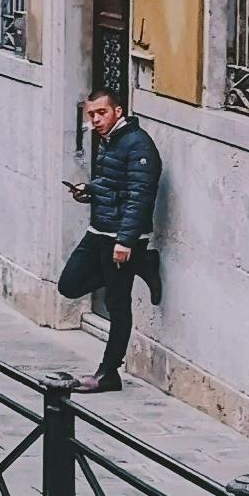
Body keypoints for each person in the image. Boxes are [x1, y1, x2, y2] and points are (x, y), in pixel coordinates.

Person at [61, 88, 162, 391]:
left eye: (102, 113)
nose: (96, 120)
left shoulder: (139, 145)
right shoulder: (110, 141)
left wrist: (126, 241)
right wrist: (88, 189)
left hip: (121, 237)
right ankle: (144, 264)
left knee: (117, 304)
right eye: (91, 115)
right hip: (99, 230)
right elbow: (112, 182)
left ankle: (108, 373)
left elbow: (140, 196)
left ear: (118, 111)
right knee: (69, 284)